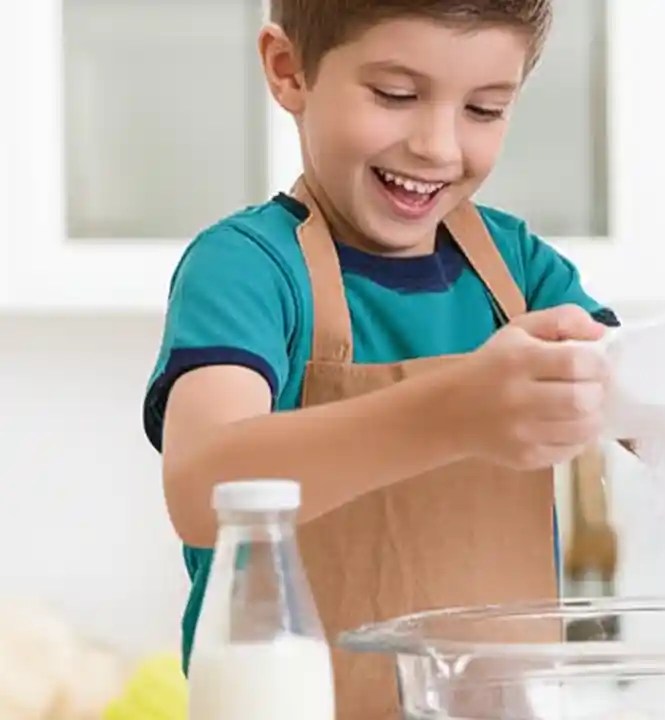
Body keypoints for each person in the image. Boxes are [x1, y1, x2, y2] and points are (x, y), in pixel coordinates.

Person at [141, 1, 622, 715]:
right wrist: (456, 411)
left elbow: (642, 392)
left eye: (484, 109)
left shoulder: (519, 271)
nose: (438, 145)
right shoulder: (249, 269)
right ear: (289, 70)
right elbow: (200, 486)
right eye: (396, 95)